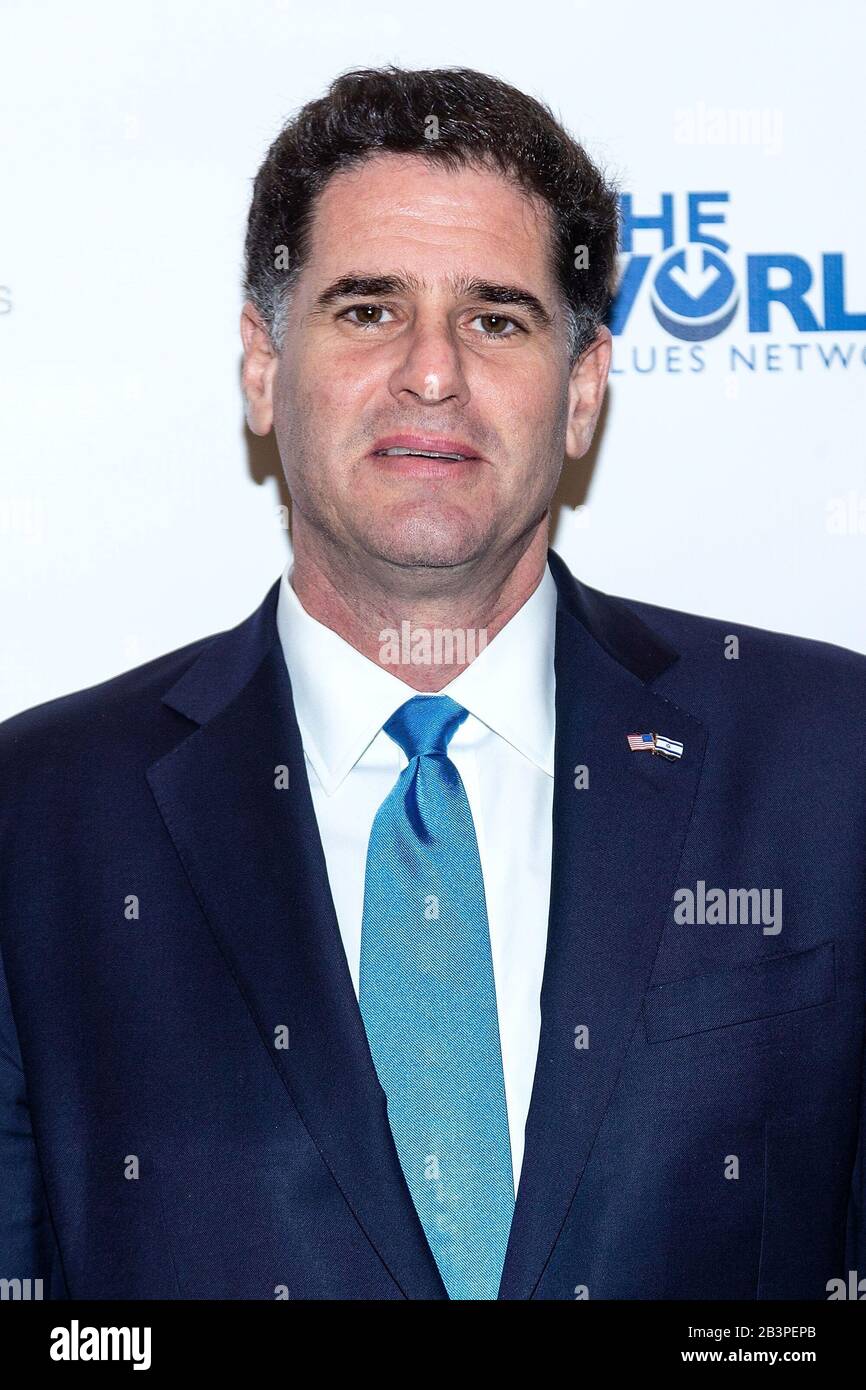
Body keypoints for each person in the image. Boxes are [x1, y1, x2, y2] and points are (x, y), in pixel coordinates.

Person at [1, 65, 864, 1301]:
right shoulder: (39, 820)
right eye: (365, 309)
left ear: (581, 391)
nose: (430, 373)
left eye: (495, 319)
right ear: (261, 363)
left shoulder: (829, 765)